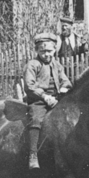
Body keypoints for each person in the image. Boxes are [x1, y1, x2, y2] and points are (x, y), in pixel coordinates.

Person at [23, 31, 71, 169]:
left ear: (55, 50)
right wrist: (44, 96)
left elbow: (65, 81)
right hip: (38, 100)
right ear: (37, 50)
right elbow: (29, 86)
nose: (46, 54)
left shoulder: (57, 65)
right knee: (36, 119)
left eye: (49, 51)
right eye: (42, 51)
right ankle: (33, 154)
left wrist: (64, 89)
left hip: (56, 99)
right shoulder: (33, 65)